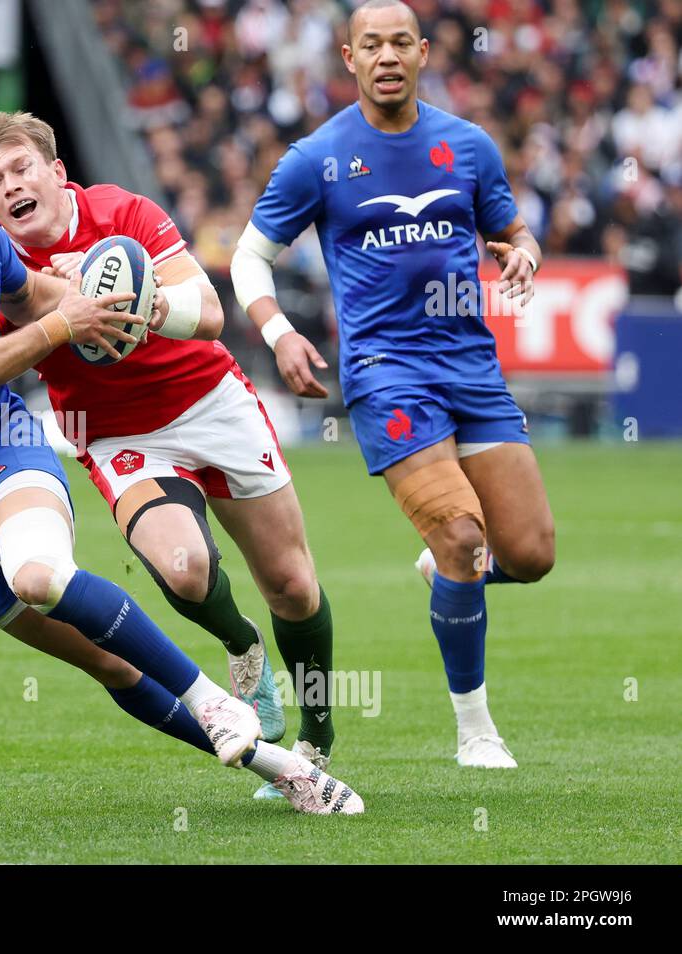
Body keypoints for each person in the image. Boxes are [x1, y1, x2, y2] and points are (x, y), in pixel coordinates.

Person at [0, 104, 362, 814]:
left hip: (171, 407)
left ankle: (310, 738)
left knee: (291, 588)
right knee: (145, 616)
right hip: (46, 455)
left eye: (22, 167)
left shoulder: (108, 215)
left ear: (55, 173)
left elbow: (205, 313)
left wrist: (113, 297)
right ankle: (265, 734)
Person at [232, 0, 554, 769]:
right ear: (348, 57)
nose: (386, 55)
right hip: (386, 372)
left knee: (533, 553)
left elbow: (514, 230)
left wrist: (524, 255)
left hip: (471, 367)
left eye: (400, 42)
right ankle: (476, 730)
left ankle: (449, 570)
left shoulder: (468, 146)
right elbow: (250, 257)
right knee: (463, 533)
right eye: (370, 44)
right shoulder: (317, 157)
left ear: (422, 53)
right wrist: (280, 334)